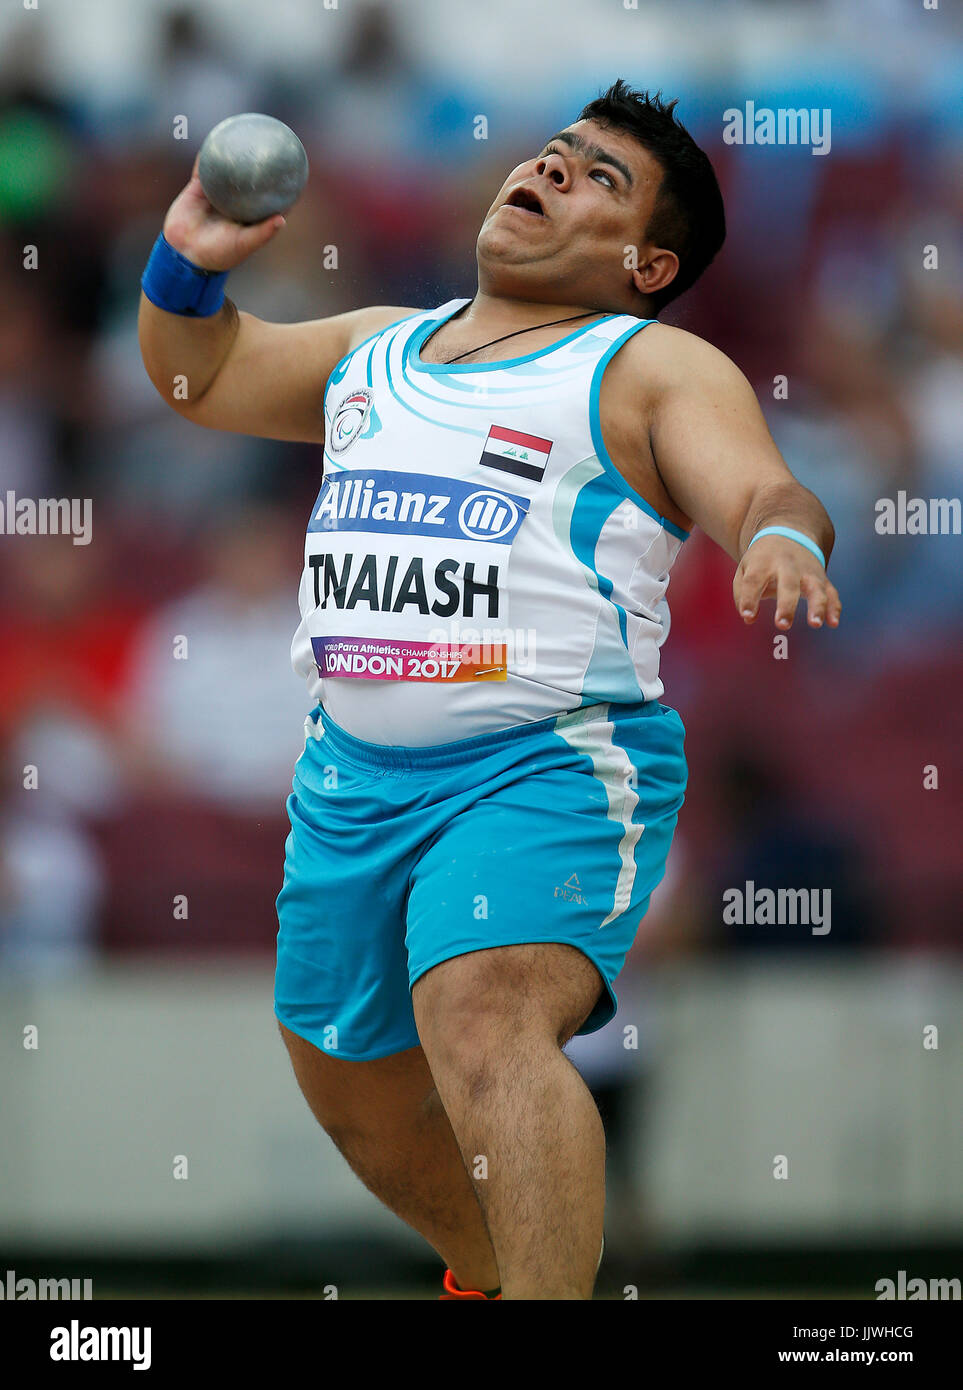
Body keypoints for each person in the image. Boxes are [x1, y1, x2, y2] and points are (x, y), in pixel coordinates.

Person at [138, 81, 840, 1301]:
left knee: (482, 1011)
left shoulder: (647, 363)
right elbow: (204, 380)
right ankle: (499, 1277)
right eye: (556, 154)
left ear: (646, 261)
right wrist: (186, 269)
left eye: (600, 179)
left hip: (546, 763)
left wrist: (785, 540)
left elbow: (760, 487)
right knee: (349, 1085)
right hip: (351, 782)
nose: (555, 171)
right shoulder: (376, 346)